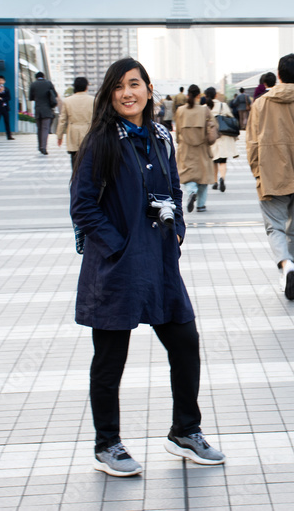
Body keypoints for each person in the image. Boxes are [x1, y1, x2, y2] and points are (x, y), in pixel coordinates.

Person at [70, 57, 225, 476]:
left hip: (159, 261)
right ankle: (108, 444)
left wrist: (177, 232)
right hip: (117, 266)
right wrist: (118, 246)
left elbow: (173, 188)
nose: (127, 93)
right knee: (110, 358)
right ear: (110, 93)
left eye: (134, 84)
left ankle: (185, 431)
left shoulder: (159, 135)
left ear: (149, 89)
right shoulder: (101, 139)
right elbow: (82, 205)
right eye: (119, 86)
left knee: (185, 341)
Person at [246, 54, 294, 301]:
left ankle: (286, 265)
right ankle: (290, 266)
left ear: (278, 74)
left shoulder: (261, 104)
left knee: (274, 226)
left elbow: (252, 143)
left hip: (271, 172)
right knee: (293, 227)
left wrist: (257, 170)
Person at [174, 84, 218, 213]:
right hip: (202, 147)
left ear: (188, 95)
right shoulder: (205, 110)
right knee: (203, 177)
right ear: (199, 95)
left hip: (185, 147)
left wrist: (178, 141)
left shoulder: (181, 110)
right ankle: (201, 205)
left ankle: (191, 191)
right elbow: (214, 126)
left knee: (187, 174)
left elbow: (177, 131)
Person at [204, 87, 237, 192]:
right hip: (223, 135)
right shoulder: (223, 105)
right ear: (216, 95)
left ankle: (215, 181)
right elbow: (231, 117)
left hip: (211, 135)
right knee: (223, 160)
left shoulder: (204, 107)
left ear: (206, 96)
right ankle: (222, 178)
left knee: (214, 160)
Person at [57, 77, 96, 166]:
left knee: (75, 163)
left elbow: (62, 120)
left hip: (73, 135)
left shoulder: (67, 101)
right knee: (89, 163)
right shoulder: (93, 100)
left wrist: (59, 136)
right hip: (88, 133)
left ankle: (75, 179)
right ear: (86, 87)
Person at [29, 71, 58, 154]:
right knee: (45, 129)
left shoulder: (33, 84)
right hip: (47, 110)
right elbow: (55, 95)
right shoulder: (48, 83)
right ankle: (43, 147)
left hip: (38, 110)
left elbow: (30, 97)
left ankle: (39, 146)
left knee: (39, 129)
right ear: (44, 76)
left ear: (36, 77)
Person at [0, 76, 14, 140]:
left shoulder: (6, 89)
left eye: (2, 80)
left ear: (4, 81)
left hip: (5, 107)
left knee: (7, 121)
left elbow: (8, 98)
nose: (1, 81)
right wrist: (0, 92)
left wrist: (2, 98)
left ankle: (9, 135)